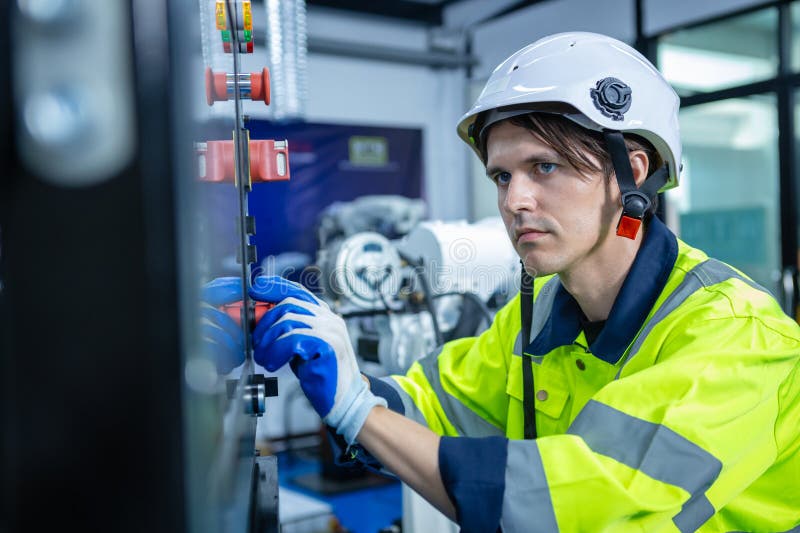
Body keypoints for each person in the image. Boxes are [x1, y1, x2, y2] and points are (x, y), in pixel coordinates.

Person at [206, 32, 800, 532]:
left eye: (545, 167)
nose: (515, 201)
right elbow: (435, 403)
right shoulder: (541, 310)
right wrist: (326, 356)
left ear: (631, 175)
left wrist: (359, 411)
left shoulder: (738, 341)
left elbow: (570, 511)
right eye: (501, 175)